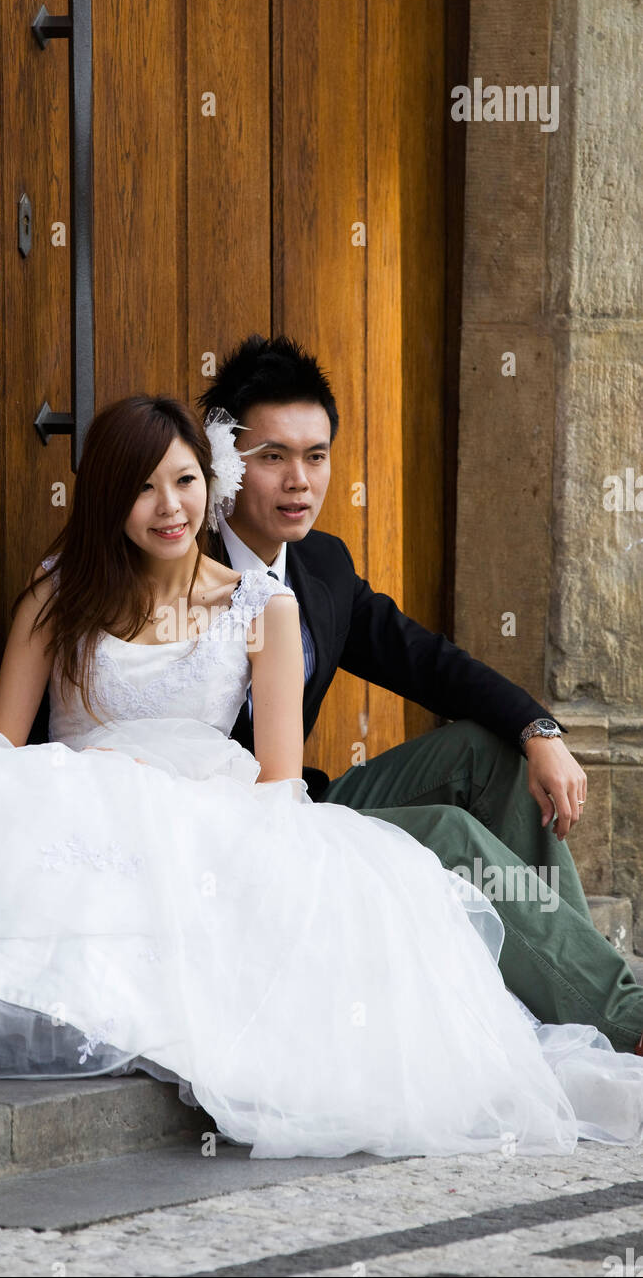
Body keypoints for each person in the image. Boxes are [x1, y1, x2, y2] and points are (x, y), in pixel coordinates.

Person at [0, 394, 641, 1160]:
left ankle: (609, 1005)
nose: (169, 506)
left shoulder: (265, 604)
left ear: (209, 482)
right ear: (109, 498)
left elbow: (279, 776)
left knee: (459, 791)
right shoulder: (57, 597)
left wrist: (537, 725)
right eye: (145, 487)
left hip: (216, 805)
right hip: (85, 800)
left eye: (185, 482)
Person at [197, 335, 643, 1058]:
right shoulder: (182, 564)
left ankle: (588, 996)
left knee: (492, 748)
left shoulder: (322, 564)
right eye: (272, 457)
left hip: (307, 807)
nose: (299, 481)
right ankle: (625, 1018)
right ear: (224, 460)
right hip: (225, 836)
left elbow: (428, 661)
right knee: (446, 833)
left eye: (316, 457)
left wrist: (539, 729)